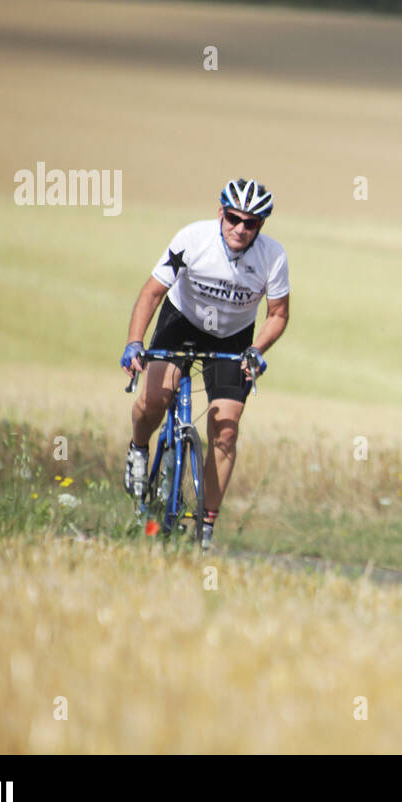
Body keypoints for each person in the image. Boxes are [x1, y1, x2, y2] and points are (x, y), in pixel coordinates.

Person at [119, 179, 290, 549]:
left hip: (233, 338)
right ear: (220, 214)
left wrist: (258, 350)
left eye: (252, 223)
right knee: (154, 400)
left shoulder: (272, 257)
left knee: (226, 430)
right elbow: (152, 292)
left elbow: (278, 314)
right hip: (181, 323)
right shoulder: (193, 239)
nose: (240, 228)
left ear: (261, 226)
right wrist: (135, 342)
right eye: (233, 218)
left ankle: (206, 529)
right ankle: (138, 448)